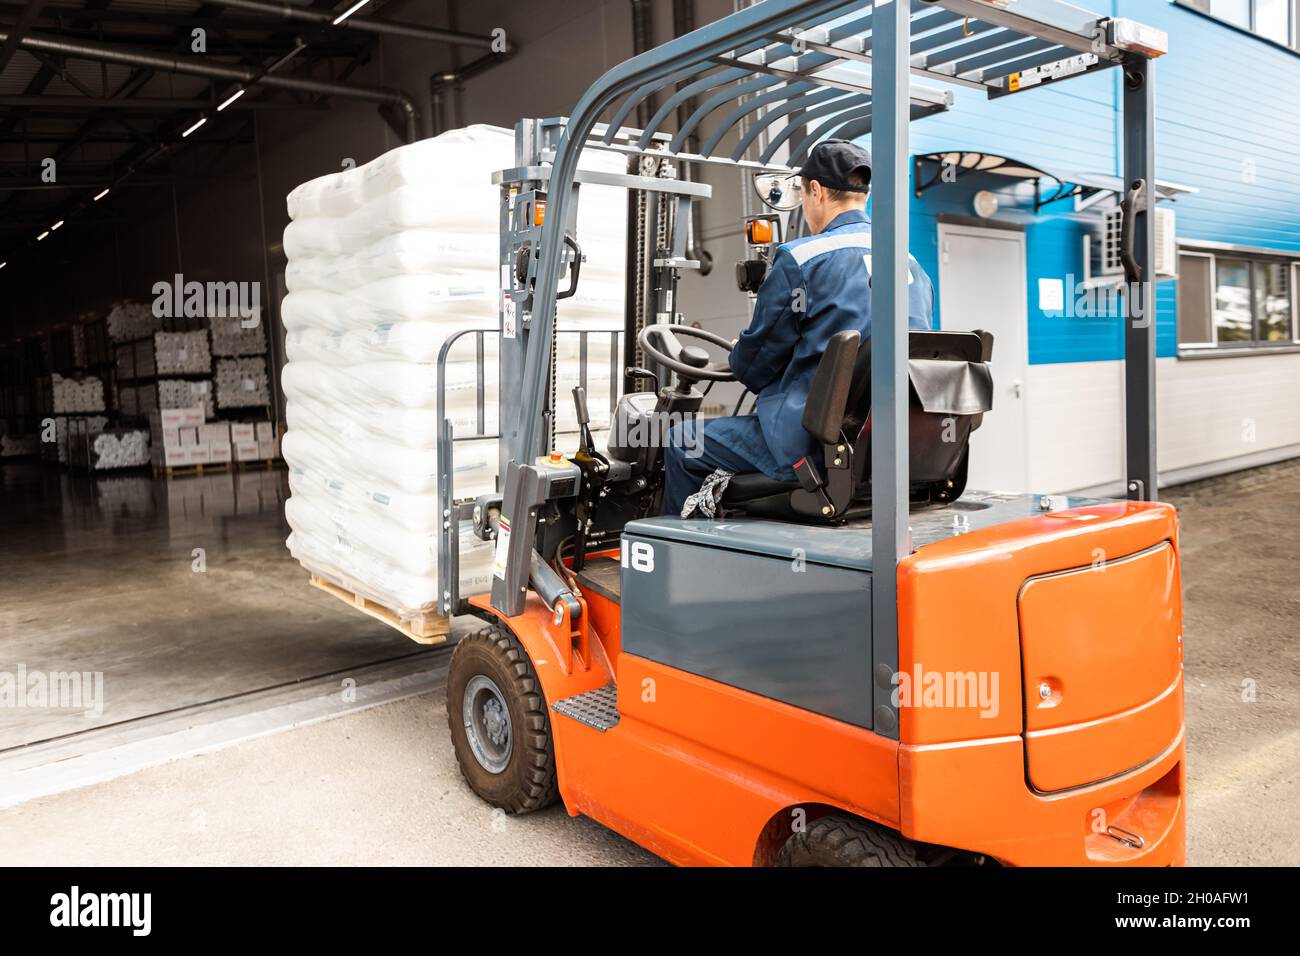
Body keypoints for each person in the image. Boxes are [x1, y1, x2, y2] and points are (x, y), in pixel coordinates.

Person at [661, 139, 936, 516]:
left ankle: (672, 562)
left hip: (809, 444)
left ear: (816, 191)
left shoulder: (802, 258)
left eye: (804, 194)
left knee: (680, 439)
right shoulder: (910, 264)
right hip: (890, 447)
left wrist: (740, 349)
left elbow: (754, 367)